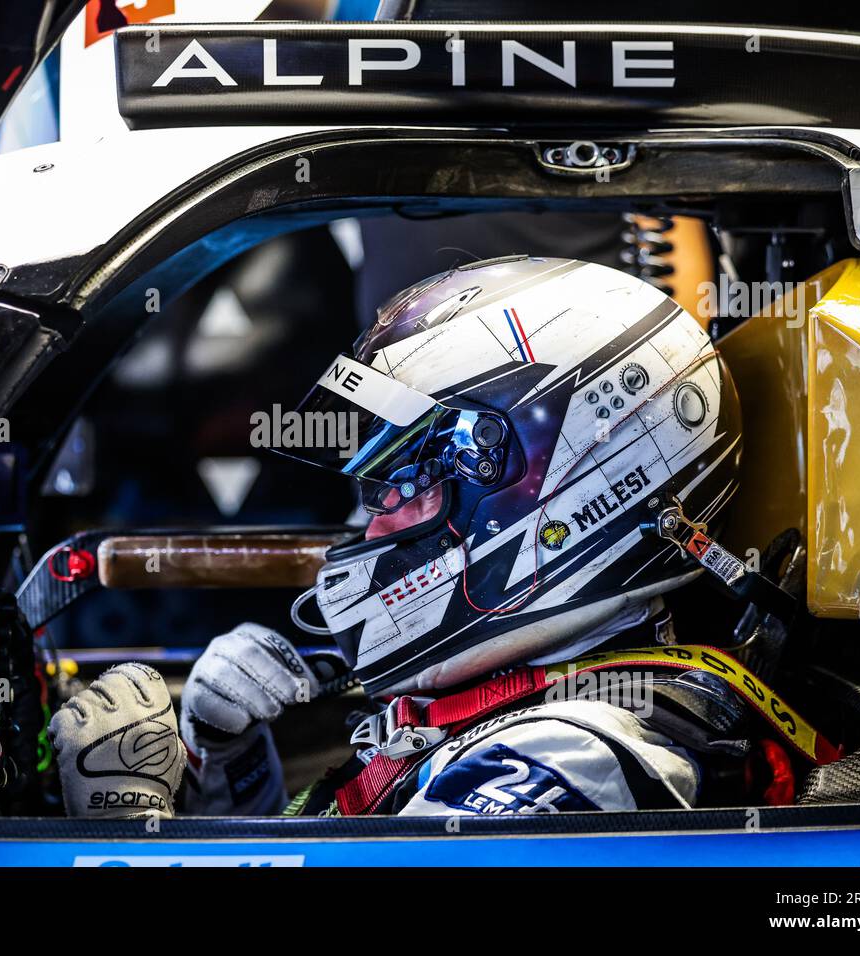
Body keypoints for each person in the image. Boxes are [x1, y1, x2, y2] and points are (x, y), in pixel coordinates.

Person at [49, 256, 801, 819]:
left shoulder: (576, 757)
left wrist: (133, 838)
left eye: (397, 490)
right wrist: (229, 768)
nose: (371, 530)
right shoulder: (525, 706)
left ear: (537, 488)